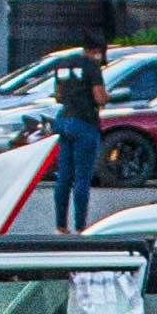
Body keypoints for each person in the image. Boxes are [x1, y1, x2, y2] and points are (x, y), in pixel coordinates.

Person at [50, 38, 107, 232]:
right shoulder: (91, 66)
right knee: (82, 178)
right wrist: (107, 97)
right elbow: (99, 97)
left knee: (64, 177)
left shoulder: (62, 64)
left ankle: (61, 226)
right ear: (96, 51)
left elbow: (58, 95)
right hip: (85, 122)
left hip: (64, 121)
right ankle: (81, 226)